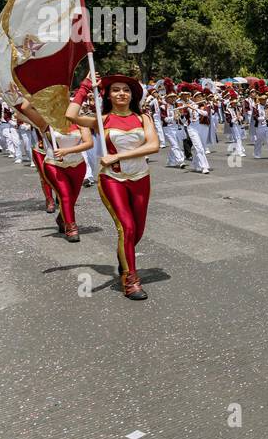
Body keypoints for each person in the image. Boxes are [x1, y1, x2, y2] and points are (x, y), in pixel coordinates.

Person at [67, 74, 160, 300]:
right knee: (126, 228)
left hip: (141, 177)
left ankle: (124, 255)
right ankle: (131, 281)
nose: (121, 93)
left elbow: (154, 145)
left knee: (138, 230)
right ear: (107, 95)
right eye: (115, 90)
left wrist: (119, 155)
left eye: (126, 90)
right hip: (112, 180)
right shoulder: (102, 120)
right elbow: (70, 115)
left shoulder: (143, 118)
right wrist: (85, 87)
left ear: (132, 95)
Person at [15, 99, 94, 242]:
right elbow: (25, 108)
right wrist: (35, 89)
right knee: (65, 196)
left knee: (72, 198)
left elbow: (89, 143)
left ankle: (62, 218)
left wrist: (67, 151)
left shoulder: (79, 122)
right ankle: (71, 227)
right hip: (54, 165)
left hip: (77, 165)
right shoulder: (46, 122)